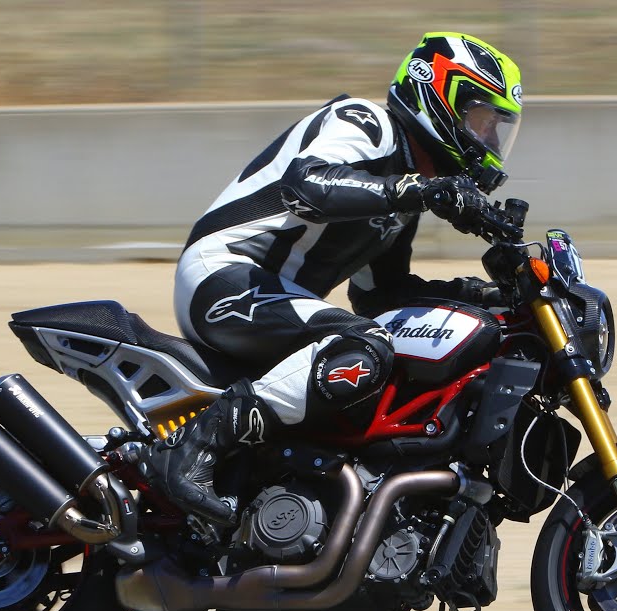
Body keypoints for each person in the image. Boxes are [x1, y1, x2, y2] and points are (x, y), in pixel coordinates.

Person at [139, 31, 524, 526]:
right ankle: (190, 451)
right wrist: (421, 191)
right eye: (481, 121)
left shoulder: (401, 187)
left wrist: (477, 295)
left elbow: (378, 294)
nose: (489, 140)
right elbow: (308, 186)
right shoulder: (366, 122)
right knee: (364, 346)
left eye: (497, 129)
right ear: (439, 96)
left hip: (276, 296)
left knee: (389, 351)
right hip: (224, 276)